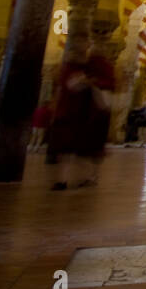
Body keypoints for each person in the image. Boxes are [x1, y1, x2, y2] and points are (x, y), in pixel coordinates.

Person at [50, 55, 115, 190]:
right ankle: (69, 178)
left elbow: (105, 95)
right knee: (71, 150)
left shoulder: (97, 67)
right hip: (77, 116)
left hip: (89, 117)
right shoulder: (77, 68)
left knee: (83, 150)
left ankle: (87, 177)